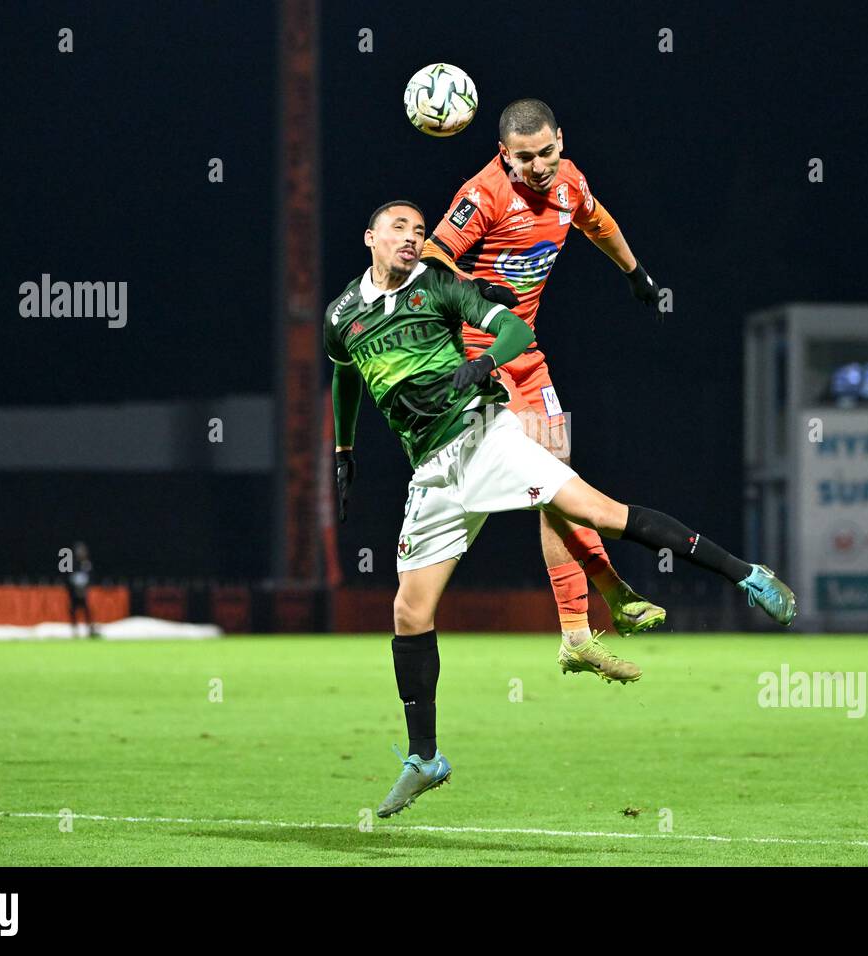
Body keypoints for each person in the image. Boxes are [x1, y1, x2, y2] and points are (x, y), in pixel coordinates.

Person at [326, 200, 797, 817]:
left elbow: (516, 330)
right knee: (409, 612)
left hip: (486, 439)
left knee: (600, 512)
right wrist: (344, 447)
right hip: (432, 475)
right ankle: (425, 758)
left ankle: (747, 575)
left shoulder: (440, 285)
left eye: (419, 229)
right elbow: (345, 376)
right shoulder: (342, 315)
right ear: (370, 238)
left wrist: (483, 365)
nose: (412, 238)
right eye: (399, 229)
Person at [420, 98, 667, 675]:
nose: (538, 166)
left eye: (546, 152)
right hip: (480, 357)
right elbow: (432, 260)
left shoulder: (569, 180)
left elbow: (597, 221)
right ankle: (604, 598)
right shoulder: (483, 196)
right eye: (524, 157)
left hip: (527, 355)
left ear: (562, 139)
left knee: (559, 478)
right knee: (550, 483)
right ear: (504, 155)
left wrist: (636, 274)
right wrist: (477, 291)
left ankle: (580, 629)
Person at [64, 541, 97, 638]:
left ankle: (90, 630)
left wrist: (85, 587)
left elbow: (91, 577)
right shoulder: (72, 564)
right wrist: (74, 588)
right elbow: (68, 578)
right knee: (73, 611)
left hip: (84, 593)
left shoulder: (87, 564)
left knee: (88, 612)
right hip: (74, 593)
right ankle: (75, 631)